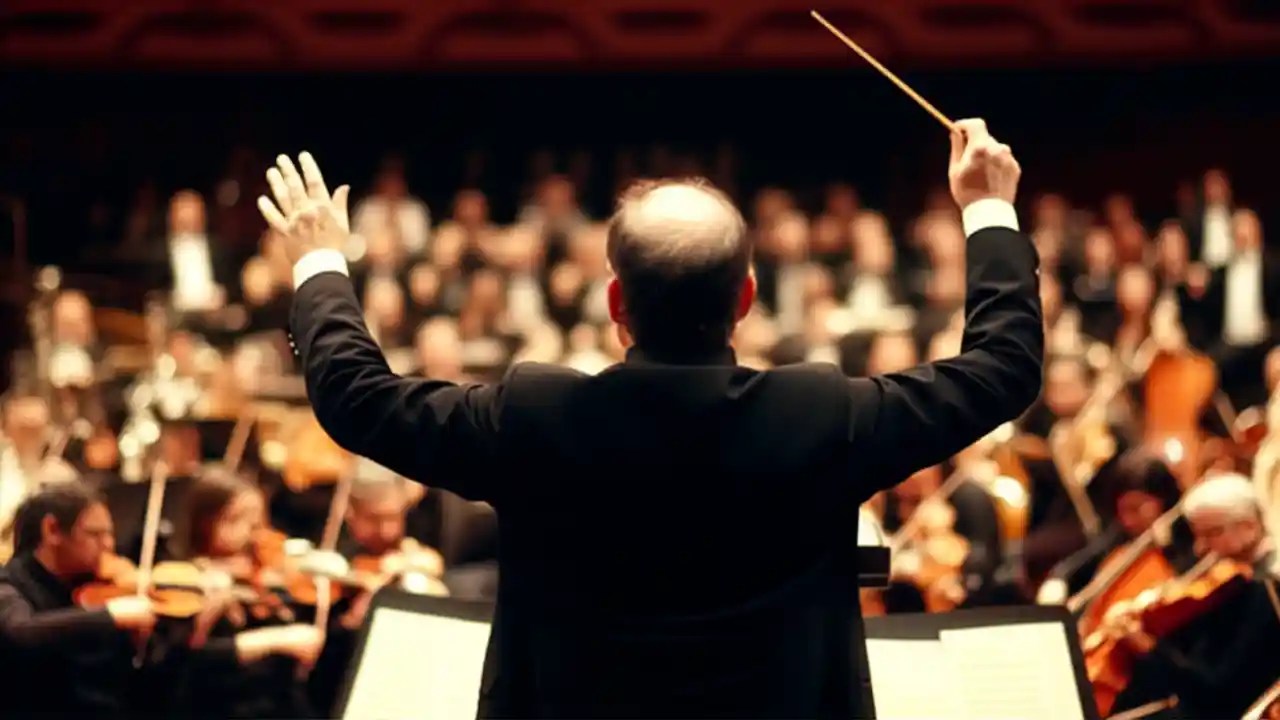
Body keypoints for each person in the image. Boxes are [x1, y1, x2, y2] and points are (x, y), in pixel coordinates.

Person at [260, 118, 1044, 718]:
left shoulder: (537, 416)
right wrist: (987, 211)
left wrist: (319, 260)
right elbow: (1002, 369)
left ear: (614, 302)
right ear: (745, 299)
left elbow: (357, 397)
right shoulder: (819, 413)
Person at [1109, 472, 1280, 719]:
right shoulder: (1231, 583)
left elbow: (1218, 692)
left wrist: (1148, 647)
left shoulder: (1265, 588)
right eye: (1197, 535)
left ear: (1249, 526)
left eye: (1212, 533)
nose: (1200, 548)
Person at [0, 483, 157, 717]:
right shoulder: (9, 583)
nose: (109, 545)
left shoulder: (92, 585)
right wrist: (111, 614)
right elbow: (21, 630)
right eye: (95, 534)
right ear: (52, 530)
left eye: (110, 534)